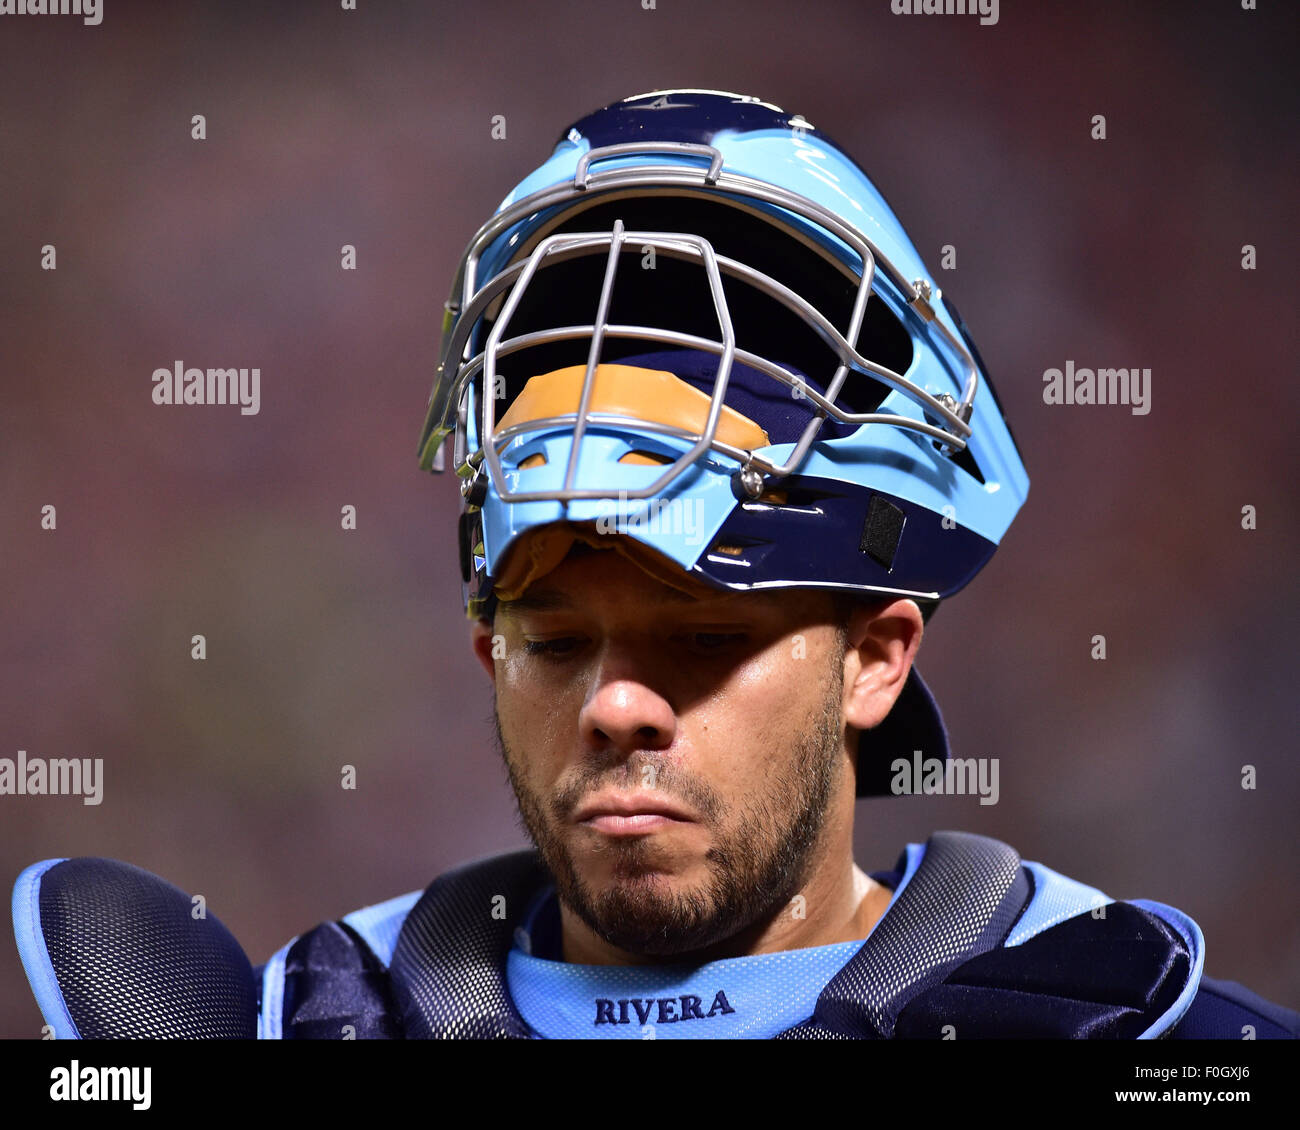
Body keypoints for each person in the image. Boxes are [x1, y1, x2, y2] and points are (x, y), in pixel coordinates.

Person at [12, 89, 1298, 1040]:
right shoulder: (303, 1017)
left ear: (876, 658)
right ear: (486, 650)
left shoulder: (1153, 1038)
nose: (614, 703)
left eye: (700, 634)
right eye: (556, 641)